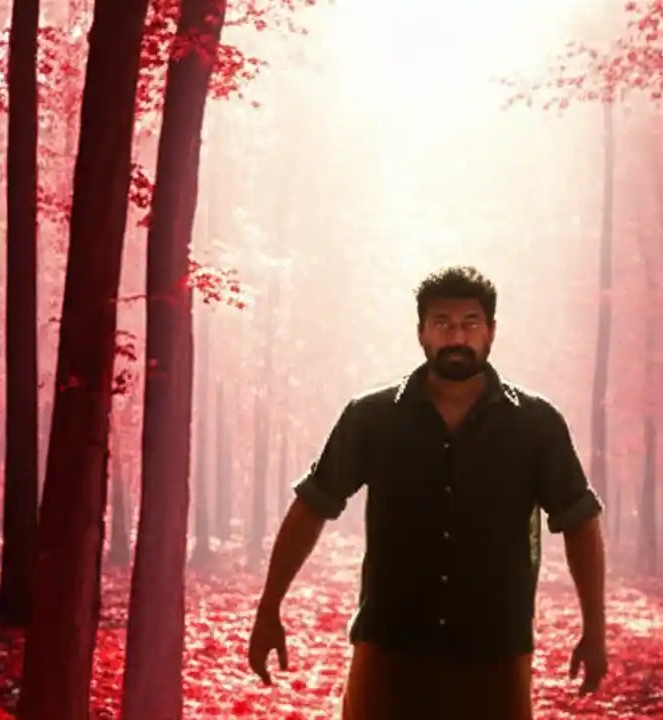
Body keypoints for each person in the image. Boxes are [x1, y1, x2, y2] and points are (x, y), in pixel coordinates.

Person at [247, 265, 608, 720]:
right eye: (442, 323)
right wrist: (268, 609)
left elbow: (579, 522)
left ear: (491, 332)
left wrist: (595, 629)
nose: (457, 337)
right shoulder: (372, 418)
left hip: (495, 653)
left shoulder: (536, 425)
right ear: (421, 332)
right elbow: (312, 506)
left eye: (470, 324)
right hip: (389, 649)